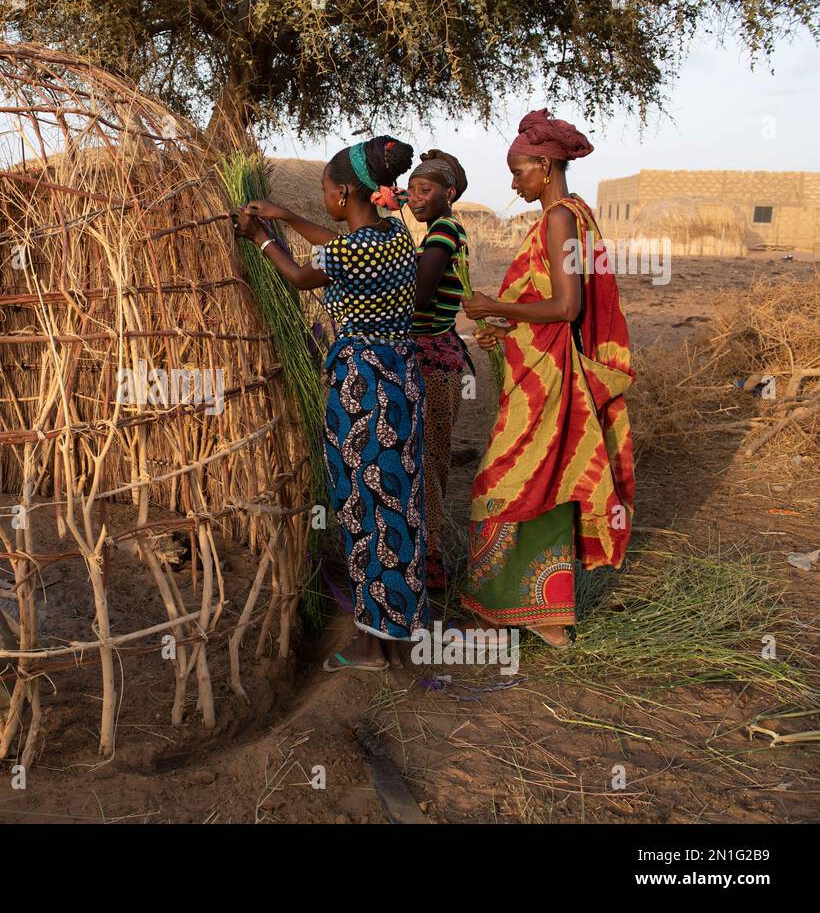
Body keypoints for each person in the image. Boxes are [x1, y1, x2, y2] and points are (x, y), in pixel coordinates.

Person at [235, 135, 426, 670]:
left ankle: (371, 646)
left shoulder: (353, 250)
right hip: (400, 381)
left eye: (324, 193)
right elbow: (335, 246)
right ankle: (397, 627)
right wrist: (289, 215)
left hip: (363, 389)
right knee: (398, 505)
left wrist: (262, 237)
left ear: (343, 194)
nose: (324, 202)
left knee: (363, 507)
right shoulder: (392, 237)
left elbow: (300, 276)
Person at [459, 109, 635, 647]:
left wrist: (492, 304)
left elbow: (565, 304)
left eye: (518, 171)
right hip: (547, 364)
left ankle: (513, 607)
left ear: (544, 163)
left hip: (552, 374)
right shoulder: (577, 214)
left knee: (502, 481)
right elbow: (552, 304)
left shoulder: (560, 217)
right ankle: (546, 612)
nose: (514, 183)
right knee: (550, 478)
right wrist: (507, 322)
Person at [405, 150, 471, 604]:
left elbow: (421, 297)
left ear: (448, 194)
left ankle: (430, 572)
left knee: (425, 463)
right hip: (439, 358)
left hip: (431, 363)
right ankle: (426, 563)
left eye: (424, 190)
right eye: (410, 191)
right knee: (429, 460)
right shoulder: (440, 233)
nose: (414, 198)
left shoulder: (445, 231)